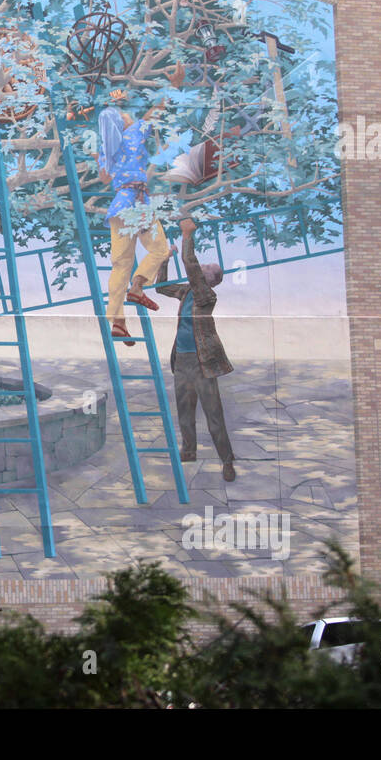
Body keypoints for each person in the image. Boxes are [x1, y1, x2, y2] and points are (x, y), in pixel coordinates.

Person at [154, 217, 236, 482]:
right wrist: (166, 258)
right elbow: (162, 288)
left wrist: (187, 235)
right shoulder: (188, 292)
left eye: (203, 271)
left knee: (214, 415)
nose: (198, 270)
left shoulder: (206, 296)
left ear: (208, 280)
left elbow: (191, 266)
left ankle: (227, 460)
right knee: (184, 411)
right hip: (183, 361)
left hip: (203, 363)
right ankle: (188, 452)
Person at [96, 98, 171, 345]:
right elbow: (153, 114)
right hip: (138, 202)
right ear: (122, 123)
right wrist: (171, 91)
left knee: (120, 266)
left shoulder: (107, 152)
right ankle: (137, 287)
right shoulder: (133, 134)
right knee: (160, 249)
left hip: (119, 206)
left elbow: (105, 179)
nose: (129, 116)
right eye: (125, 115)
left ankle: (118, 322)